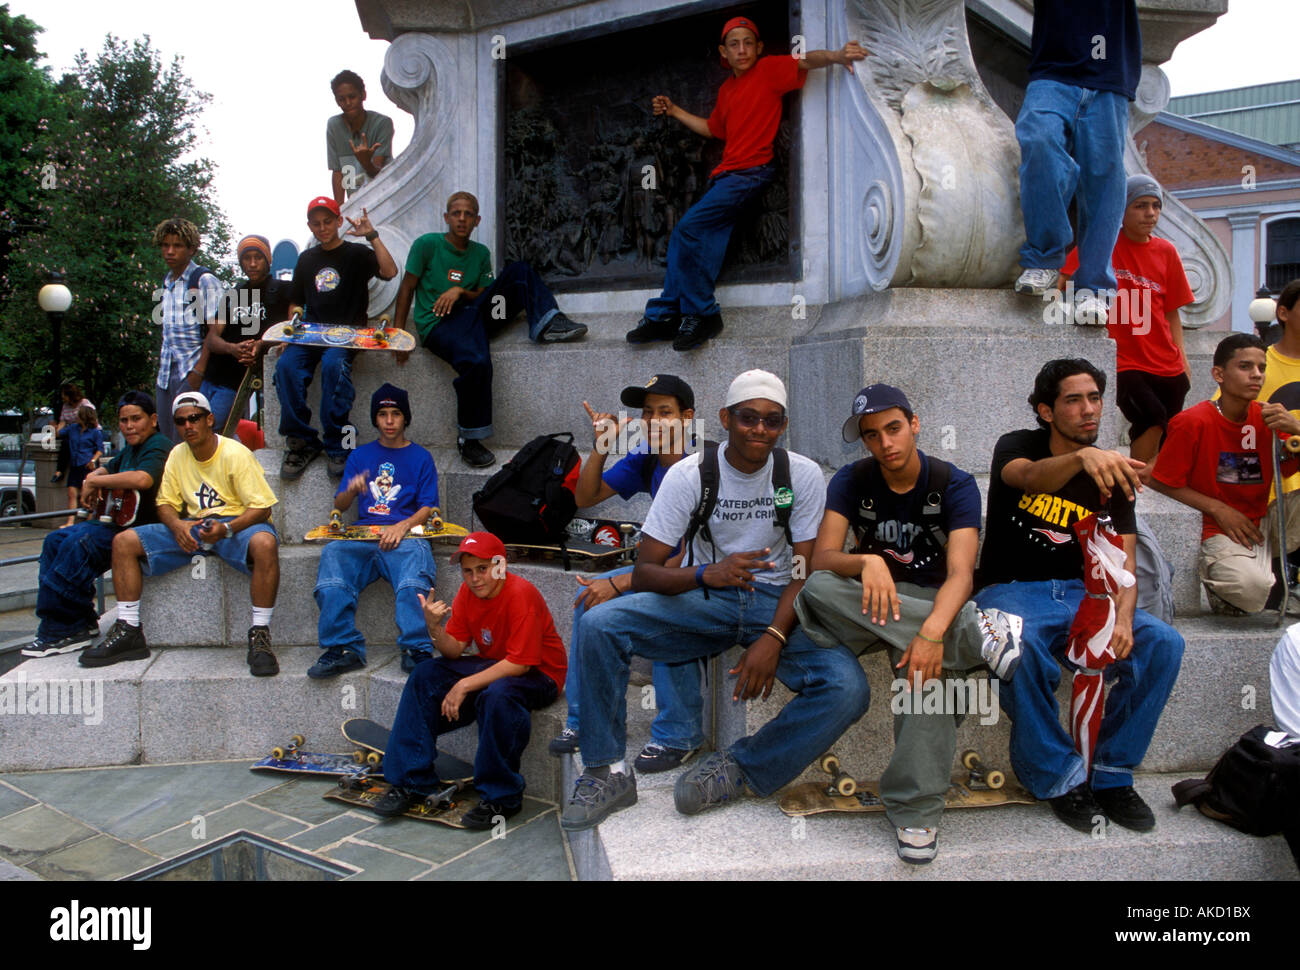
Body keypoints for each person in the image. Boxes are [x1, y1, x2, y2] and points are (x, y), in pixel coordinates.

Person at [560, 370, 869, 832]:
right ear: (725, 418)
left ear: (783, 425)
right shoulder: (689, 475)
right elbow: (645, 571)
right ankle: (608, 772)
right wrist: (709, 573)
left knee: (849, 689)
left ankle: (739, 769)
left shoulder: (799, 474)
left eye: (772, 420)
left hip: (779, 600)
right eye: (748, 418)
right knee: (600, 622)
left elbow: (805, 571)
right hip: (708, 595)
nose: (759, 430)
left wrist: (774, 636)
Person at [793, 384, 1023, 864]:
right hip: (867, 604)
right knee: (816, 591)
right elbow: (821, 560)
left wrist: (931, 632)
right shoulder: (852, 481)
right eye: (871, 435)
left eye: (893, 428)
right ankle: (975, 635)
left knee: (926, 675)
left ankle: (916, 811)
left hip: (934, 603)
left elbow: (962, 574)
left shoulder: (953, 483)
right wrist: (867, 564)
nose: (885, 444)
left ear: (915, 424)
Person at [974, 358, 1184, 834]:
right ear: (1046, 411)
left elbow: (1125, 560)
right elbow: (1027, 477)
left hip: (1085, 595)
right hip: (1012, 592)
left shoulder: (1113, 472)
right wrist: (1081, 459)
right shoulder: (1017, 445)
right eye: (1074, 400)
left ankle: (1111, 773)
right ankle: (1057, 777)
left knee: (1164, 645)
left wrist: (1126, 619)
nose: (1089, 410)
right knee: (1016, 649)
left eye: (1094, 399)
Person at [627, 18, 864, 352]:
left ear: (759, 47)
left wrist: (838, 55)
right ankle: (667, 315)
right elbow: (713, 129)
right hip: (727, 176)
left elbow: (808, 59)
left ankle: (703, 314)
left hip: (751, 173)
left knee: (687, 230)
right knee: (695, 242)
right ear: (724, 51)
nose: (742, 50)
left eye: (748, 42)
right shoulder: (727, 90)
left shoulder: (768, 71)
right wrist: (675, 110)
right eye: (734, 44)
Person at [548, 374, 706, 772]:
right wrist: (602, 443)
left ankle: (679, 734)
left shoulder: (703, 465)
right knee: (589, 603)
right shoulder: (647, 457)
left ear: (687, 418)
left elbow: (685, 560)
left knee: (667, 606)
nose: (653, 421)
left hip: (705, 571)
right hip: (662, 566)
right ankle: (584, 722)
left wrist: (621, 583)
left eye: (664, 412)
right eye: (647, 412)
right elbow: (584, 497)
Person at [376, 532, 567, 829]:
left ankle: (501, 798)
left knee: (498, 695)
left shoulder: (521, 593)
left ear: (500, 566)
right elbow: (453, 650)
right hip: (497, 666)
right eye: (468, 571)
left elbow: (519, 664)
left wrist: (464, 685)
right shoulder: (468, 594)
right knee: (425, 673)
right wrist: (433, 627)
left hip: (540, 674)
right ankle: (411, 781)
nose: (475, 578)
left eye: (483, 568)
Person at [85, 392, 282, 676]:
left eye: (194, 418)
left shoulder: (235, 452)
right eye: (180, 421)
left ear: (209, 419)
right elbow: (165, 503)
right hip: (193, 524)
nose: (188, 426)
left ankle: (260, 635)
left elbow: (262, 508)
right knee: (124, 541)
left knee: (265, 542)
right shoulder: (177, 453)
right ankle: (129, 630)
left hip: (234, 522)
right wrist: (177, 526)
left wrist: (226, 528)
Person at [393, 191, 587, 469]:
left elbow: (484, 294)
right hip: (439, 324)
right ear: (446, 217)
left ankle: (548, 322)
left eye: (468, 214)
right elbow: (407, 287)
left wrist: (459, 290)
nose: (462, 218)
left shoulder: (481, 253)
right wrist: (398, 336)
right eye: (456, 213)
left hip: (476, 313)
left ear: (477, 220)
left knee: (519, 270)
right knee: (477, 360)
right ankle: (469, 439)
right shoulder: (427, 245)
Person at [1150, 334, 1300, 615]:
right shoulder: (1192, 422)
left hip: (1263, 523)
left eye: (1261, 368)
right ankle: (1228, 586)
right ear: (1218, 374)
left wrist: (1297, 427)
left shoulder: (1269, 417)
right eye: (1245, 367)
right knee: (1254, 592)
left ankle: (1278, 579)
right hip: (1219, 530)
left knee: (1258, 587)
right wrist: (1218, 508)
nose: (1256, 375)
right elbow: (1159, 480)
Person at [1013, 0, 1140, 330]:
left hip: (1109, 76)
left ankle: (1094, 287)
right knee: (1040, 140)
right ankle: (1044, 256)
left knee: (1103, 179)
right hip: (1053, 73)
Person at [22, 392, 170, 658]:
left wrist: (94, 483)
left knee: (79, 543)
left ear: (153, 419)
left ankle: (59, 630)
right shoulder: (130, 449)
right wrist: (94, 475)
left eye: (136, 419)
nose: (129, 426)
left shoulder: (158, 445)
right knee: (55, 540)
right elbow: (109, 467)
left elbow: (143, 479)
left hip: (144, 529)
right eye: (124, 421)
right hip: (118, 524)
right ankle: (79, 621)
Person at [1061, 175, 1194, 471]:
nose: (1151, 213)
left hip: (1167, 362)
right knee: (1151, 417)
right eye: (1141, 206)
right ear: (1121, 210)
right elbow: (1062, 279)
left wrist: (1182, 357)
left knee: (1168, 429)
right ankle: (1138, 483)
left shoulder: (1167, 252)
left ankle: (1148, 486)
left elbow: (1172, 311)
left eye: (1156, 206)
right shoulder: (1102, 243)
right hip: (1125, 360)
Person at [308, 383, 440, 678]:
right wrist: (351, 489)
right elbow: (340, 504)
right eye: (382, 414)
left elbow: (428, 506)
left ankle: (416, 648)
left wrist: (403, 526)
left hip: (405, 534)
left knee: (413, 575)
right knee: (333, 558)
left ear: (405, 417)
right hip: (364, 534)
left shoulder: (421, 457)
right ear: (375, 419)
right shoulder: (361, 455)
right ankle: (343, 648)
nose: (389, 421)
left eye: (395, 413)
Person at [277, 196, 397, 480]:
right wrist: (293, 323)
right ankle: (301, 441)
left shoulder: (356, 253)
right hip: (311, 333)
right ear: (310, 226)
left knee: (333, 365)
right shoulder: (306, 259)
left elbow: (390, 272)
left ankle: (337, 443)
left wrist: (372, 235)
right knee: (285, 367)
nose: (322, 228)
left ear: (339, 221)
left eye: (328, 221)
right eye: (316, 224)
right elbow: (296, 299)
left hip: (347, 335)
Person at [201, 235, 294, 432]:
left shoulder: (283, 291)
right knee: (202, 429)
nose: (252, 264)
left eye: (258, 257)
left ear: (268, 259)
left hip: (240, 379)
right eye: (246, 258)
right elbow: (211, 338)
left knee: (211, 429)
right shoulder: (235, 293)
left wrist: (262, 344)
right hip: (214, 373)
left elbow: (292, 328)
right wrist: (231, 348)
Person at [152, 217, 224, 442]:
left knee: (192, 438)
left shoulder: (203, 280)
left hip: (191, 369)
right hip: (166, 372)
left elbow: (217, 328)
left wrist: (198, 371)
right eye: (165, 245)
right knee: (169, 440)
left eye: (177, 246)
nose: (170, 251)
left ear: (191, 249)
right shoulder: (167, 282)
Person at [328, 70, 394, 205]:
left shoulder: (382, 123)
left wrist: (366, 162)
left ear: (363, 95)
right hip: (354, 206)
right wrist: (339, 213)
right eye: (342, 99)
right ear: (336, 101)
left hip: (383, 200)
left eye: (352, 97)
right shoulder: (334, 125)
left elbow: (378, 172)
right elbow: (337, 172)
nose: (347, 103)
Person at [58, 405, 103, 528]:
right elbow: (59, 433)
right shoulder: (73, 428)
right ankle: (70, 521)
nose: (76, 417)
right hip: (75, 464)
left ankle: (88, 521)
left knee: (88, 495)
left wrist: (93, 460)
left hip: (87, 465)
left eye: (79, 415)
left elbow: (100, 450)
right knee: (72, 493)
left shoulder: (95, 432)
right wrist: (61, 422)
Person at [50, 383, 93, 484]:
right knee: (65, 443)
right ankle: (60, 471)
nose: (62, 397)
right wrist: (56, 433)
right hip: (72, 431)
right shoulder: (65, 406)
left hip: (86, 431)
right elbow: (62, 422)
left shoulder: (84, 403)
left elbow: (91, 419)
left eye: (64, 395)